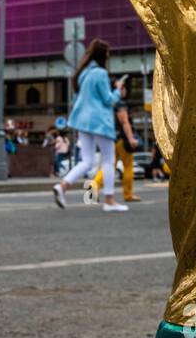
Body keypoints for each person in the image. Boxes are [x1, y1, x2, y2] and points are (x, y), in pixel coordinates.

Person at [52, 39, 127, 211]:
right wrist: (118, 90)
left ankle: (62, 186)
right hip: (99, 121)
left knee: (87, 161)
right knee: (109, 160)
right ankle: (109, 201)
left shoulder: (83, 73)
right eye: (107, 54)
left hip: (82, 121)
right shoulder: (100, 73)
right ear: (103, 55)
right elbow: (108, 100)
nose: (108, 57)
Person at [93, 99, 141, 202]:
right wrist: (131, 138)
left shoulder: (107, 103)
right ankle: (128, 195)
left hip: (111, 139)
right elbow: (124, 122)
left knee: (109, 166)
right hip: (122, 141)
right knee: (128, 167)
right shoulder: (120, 104)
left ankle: (94, 186)